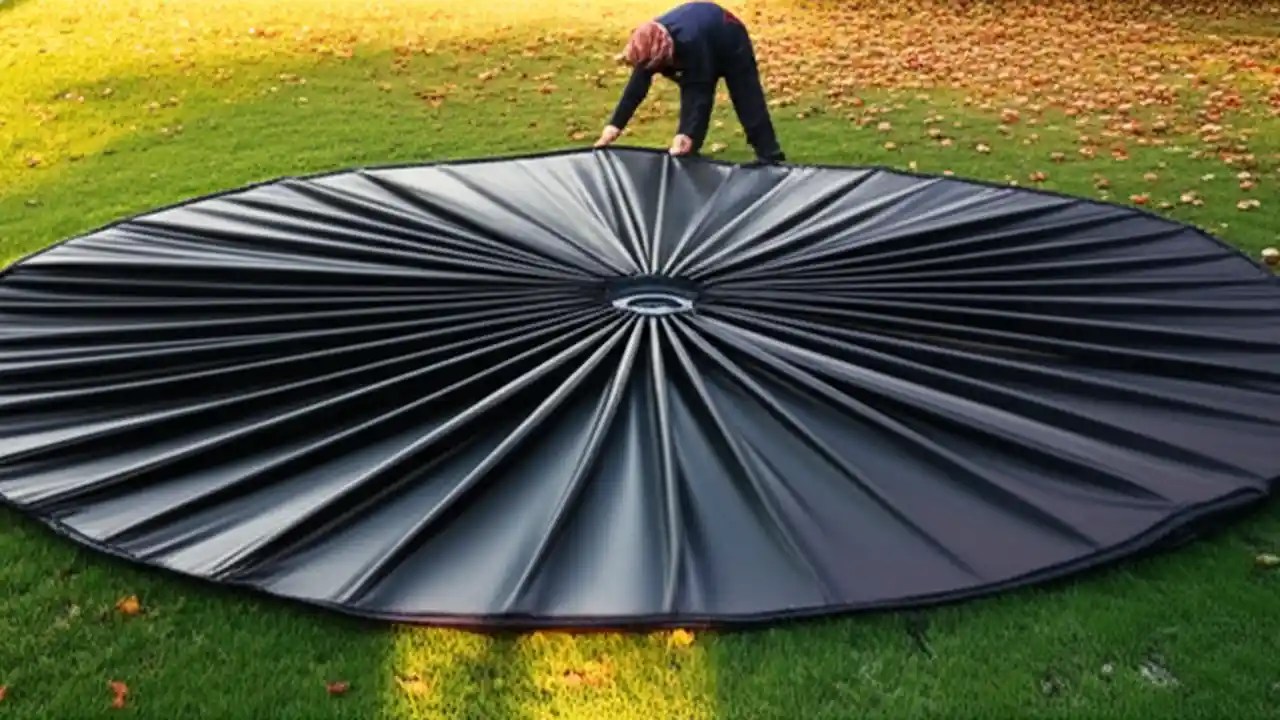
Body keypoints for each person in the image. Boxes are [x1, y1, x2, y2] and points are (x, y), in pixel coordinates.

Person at [594, 2, 786, 164]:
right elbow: (636, 88)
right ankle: (689, 153)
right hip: (701, 36)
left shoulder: (689, 42)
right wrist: (613, 128)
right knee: (690, 130)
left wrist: (685, 133)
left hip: (729, 38)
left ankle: (770, 155)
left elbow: (698, 92)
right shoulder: (648, 43)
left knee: (747, 97)